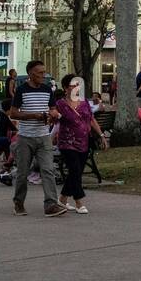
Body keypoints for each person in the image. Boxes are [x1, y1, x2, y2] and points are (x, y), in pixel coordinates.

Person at [8, 59, 65, 217]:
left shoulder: (47, 90)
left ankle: (51, 205)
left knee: (48, 170)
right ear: (30, 74)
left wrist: (52, 116)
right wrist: (33, 115)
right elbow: (13, 113)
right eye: (40, 73)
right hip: (25, 137)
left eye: (44, 72)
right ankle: (18, 203)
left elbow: (53, 110)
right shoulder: (21, 90)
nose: (43, 75)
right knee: (22, 172)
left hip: (44, 136)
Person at [55, 73, 106, 214]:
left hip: (84, 141)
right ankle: (79, 201)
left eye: (78, 85)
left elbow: (91, 119)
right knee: (75, 169)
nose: (76, 88)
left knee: (76, 171)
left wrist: (101, 135)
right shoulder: (60, 104)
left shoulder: (84, 103)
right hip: (67, 142)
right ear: (66, 88)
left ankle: (62, 199)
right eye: (73, 85)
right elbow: (53, 120)